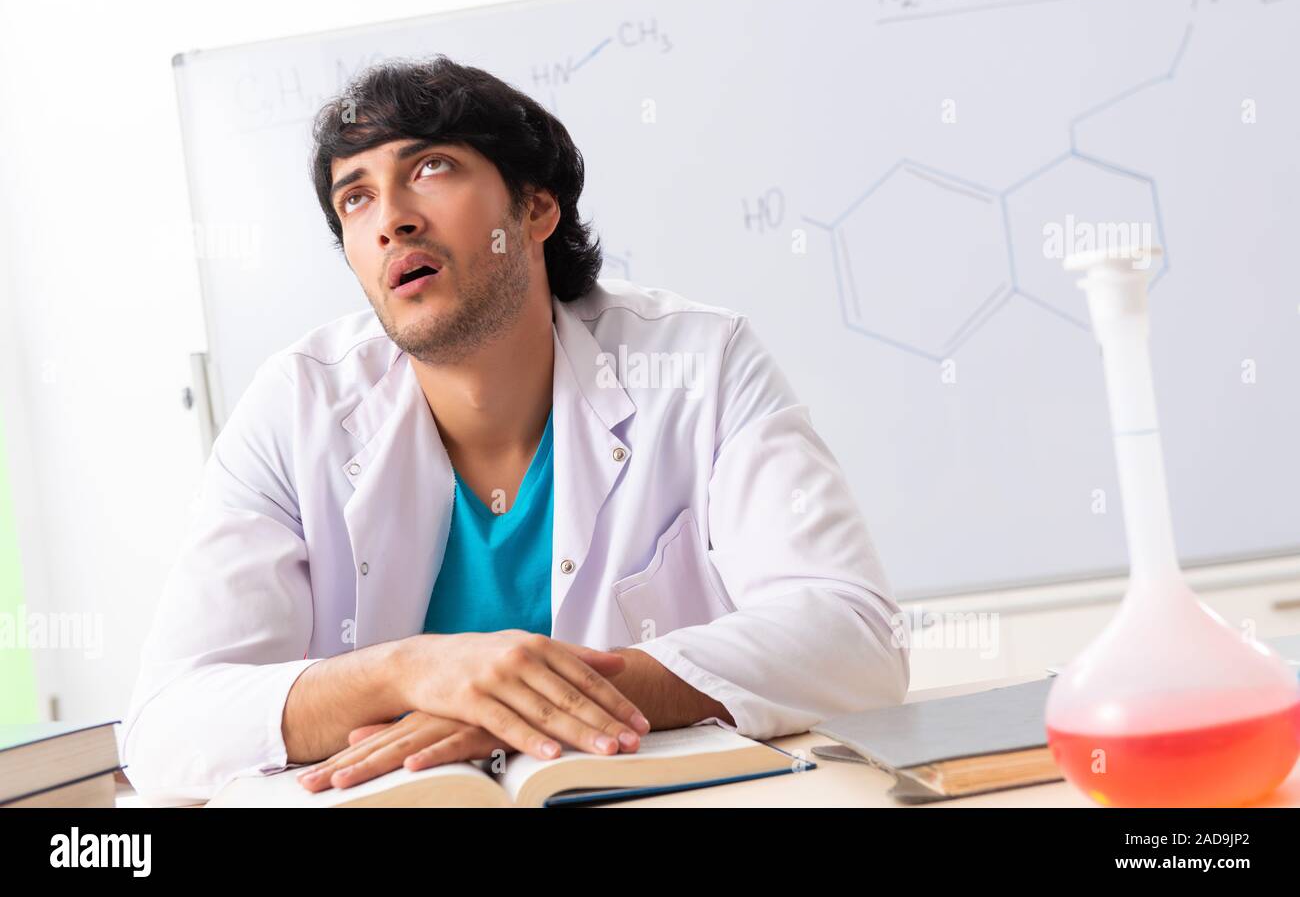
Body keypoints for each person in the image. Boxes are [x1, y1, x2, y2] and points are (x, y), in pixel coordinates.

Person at [120, 55, 909, 802]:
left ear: (534, 207)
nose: (390, 219)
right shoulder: (296, 406)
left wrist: (528, 700)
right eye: (355, 197)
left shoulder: (699, 362)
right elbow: (164, 726)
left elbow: (855, 638)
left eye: (430, 167)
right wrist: (416, 672)